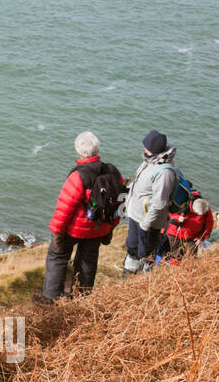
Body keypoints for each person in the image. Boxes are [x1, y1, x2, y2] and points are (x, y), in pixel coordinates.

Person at [33, 131, 124, 305]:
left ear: (78, 152)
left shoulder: (78, 176)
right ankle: (81, 299)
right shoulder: (113, 172)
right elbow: (119, 202)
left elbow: (63, 209)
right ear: (97, 150)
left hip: (74, 229)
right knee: (87, 261)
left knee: (57, 257)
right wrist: (111, 227)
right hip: (99, 227)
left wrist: (57, 233)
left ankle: (50, 298)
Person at [123, 130, 179, 273]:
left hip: (148, 222)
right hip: (136, 214)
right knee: (132, 246)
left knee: (145, 254)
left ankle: (143, 282)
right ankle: (128, 275)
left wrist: (145, 225)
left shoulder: (164, 173)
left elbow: (160, 203)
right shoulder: (148, 162)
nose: (143, 147)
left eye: (145, 145)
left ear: (152, 149)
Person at [167, 195, 214, 260]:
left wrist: (201, 237)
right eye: (197, 213)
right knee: (176, 256)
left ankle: (190, 268)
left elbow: (209, 224)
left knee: (192, 257)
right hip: (175, 234)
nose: (199, 215)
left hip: (193, 237)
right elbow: (168, 213)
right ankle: (175, 268)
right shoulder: (182, 201)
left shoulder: (204, 206)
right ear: (193, 208)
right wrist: (178, 218)